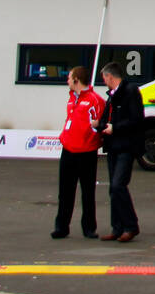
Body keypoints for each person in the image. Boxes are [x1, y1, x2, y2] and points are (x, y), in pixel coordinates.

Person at [52, 66, 105, 240]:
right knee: (65, 191)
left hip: (86, 152)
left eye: (69, 78)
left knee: (87, 192)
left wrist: (94, 138)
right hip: (68, 150)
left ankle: (89, 227)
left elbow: (101, 123)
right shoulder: (71, 99)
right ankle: (61, 226)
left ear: (76, 80)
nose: (67, 81)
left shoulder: (95, 100)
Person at [96, 62, 144, 243]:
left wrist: (114, 128)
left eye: (104, 78)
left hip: (126, 146)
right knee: (113, 189)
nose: (104, 81)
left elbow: (137, 119)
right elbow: (108, 118)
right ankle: (117, 227)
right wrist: (99, 125)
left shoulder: (130, 92)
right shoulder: (112, 96)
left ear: (110, 77)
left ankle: (131, 226)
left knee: (118, 185)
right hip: (113, 147)